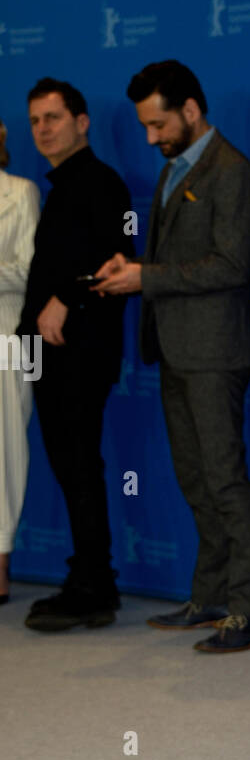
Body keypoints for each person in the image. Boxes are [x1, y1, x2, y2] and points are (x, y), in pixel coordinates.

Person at [94, 60, 250, 654]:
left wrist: (146, 276)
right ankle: (213, 595)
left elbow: (231, 266)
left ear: (191, 110)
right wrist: (136, 273)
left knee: (224, 479)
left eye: (158, 123)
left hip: (216, 351)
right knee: (195, 479)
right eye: (145, 126)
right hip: (176, 349)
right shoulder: (175, 169)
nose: (150, 137)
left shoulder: (233, 171)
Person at [17, 78, 133, 631]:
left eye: (53, 118)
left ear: (82, 122)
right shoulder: (61, 186)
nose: (43, 129)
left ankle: (92, 585)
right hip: (51, 354)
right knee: (72, 468)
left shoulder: (99, 183)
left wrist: (66, 298)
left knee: (80, 468)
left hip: (80, 353)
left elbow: (117, 259)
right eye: (36, 120)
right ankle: (90, 579)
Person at [0, 117, 40, 605]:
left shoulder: (22, 192)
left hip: (11, 337)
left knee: (7, 451)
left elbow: (32, 269)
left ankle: (2, 563)